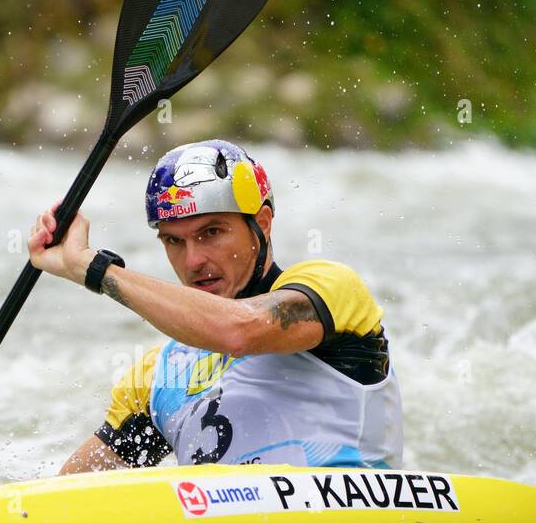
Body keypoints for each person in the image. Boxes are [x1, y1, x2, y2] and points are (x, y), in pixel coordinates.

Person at [28, 139, 402, 474]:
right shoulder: (159, 375)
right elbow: (75, 490)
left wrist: (92, 268)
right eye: (174, 240)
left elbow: (239, 331)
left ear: (263, 223)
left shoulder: (330, 288)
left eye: (211, 233)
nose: (193, 261)